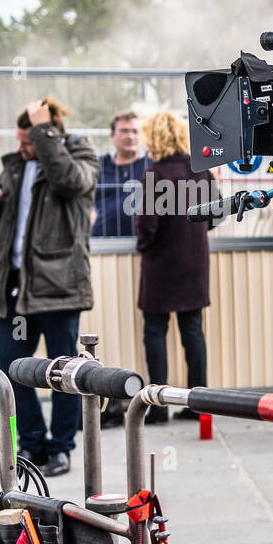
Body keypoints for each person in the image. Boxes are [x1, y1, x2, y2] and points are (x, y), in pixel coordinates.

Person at [0, 98, 97, 476]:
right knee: (10, 367)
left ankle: (61, 449)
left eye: (28, 139)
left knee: (61, 372)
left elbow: (68, 181)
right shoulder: (17, 166)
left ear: (48, 131)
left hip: (58, 287)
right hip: (15, 290)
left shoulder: (79, 154)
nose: (23, 147)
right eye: (20, 140)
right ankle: (31, 446)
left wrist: (44, 134)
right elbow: (2, 221)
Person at [136, 111, 211, 424]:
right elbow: (214, 215)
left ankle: (158, 404)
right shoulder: (200, 170)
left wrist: (143, 246)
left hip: (161, 266)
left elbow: (147, 226)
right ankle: (198, 402)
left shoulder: (155, 173)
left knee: (155, 331)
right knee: (192, 331)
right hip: (194, 263)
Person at [92, 110, 150, 238]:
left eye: (135, 131)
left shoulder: (152, 164)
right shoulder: (98, 165)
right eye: (124, 131)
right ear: (112, 136)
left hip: (144, 244)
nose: (130, 136)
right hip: (103, 245)